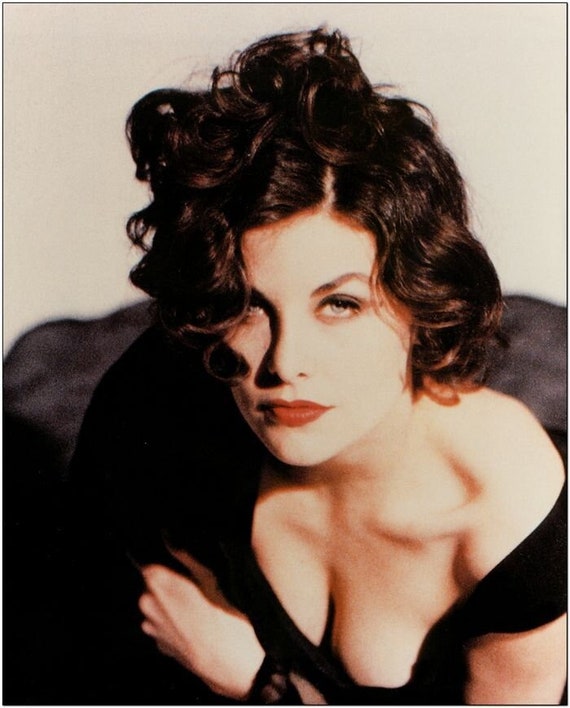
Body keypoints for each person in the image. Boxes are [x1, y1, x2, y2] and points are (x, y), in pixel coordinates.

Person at [67, 28, 566, 704]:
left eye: (340, 304)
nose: (285, 363)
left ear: (419, 299)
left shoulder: (513, 526)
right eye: (249, 305)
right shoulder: (149, 411)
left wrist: (259, 684)